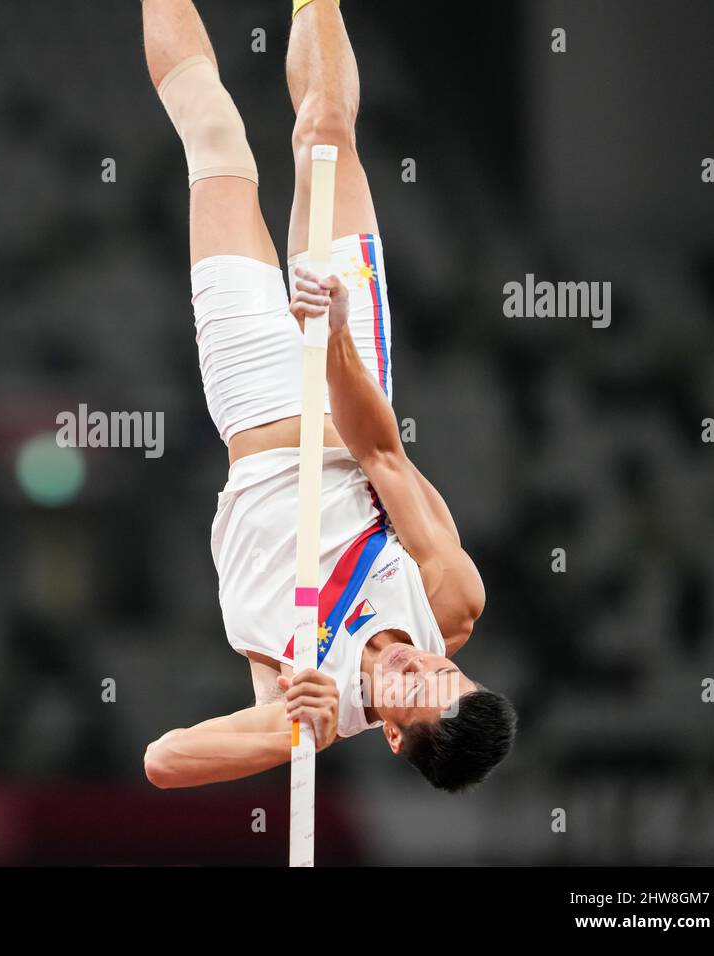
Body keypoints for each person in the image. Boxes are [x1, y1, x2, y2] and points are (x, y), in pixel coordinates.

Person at [140, 0, 516, 793]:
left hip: (248, 405)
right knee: (324, 136)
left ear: (388, 735)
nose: (424, 662)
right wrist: (337, 330)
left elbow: (163, 761)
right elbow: (382, 451)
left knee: (214, 137)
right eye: (447, 673)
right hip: (346, 384)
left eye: (415, 690)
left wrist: (296, 729)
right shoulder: (449, 602)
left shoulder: (300, 703)